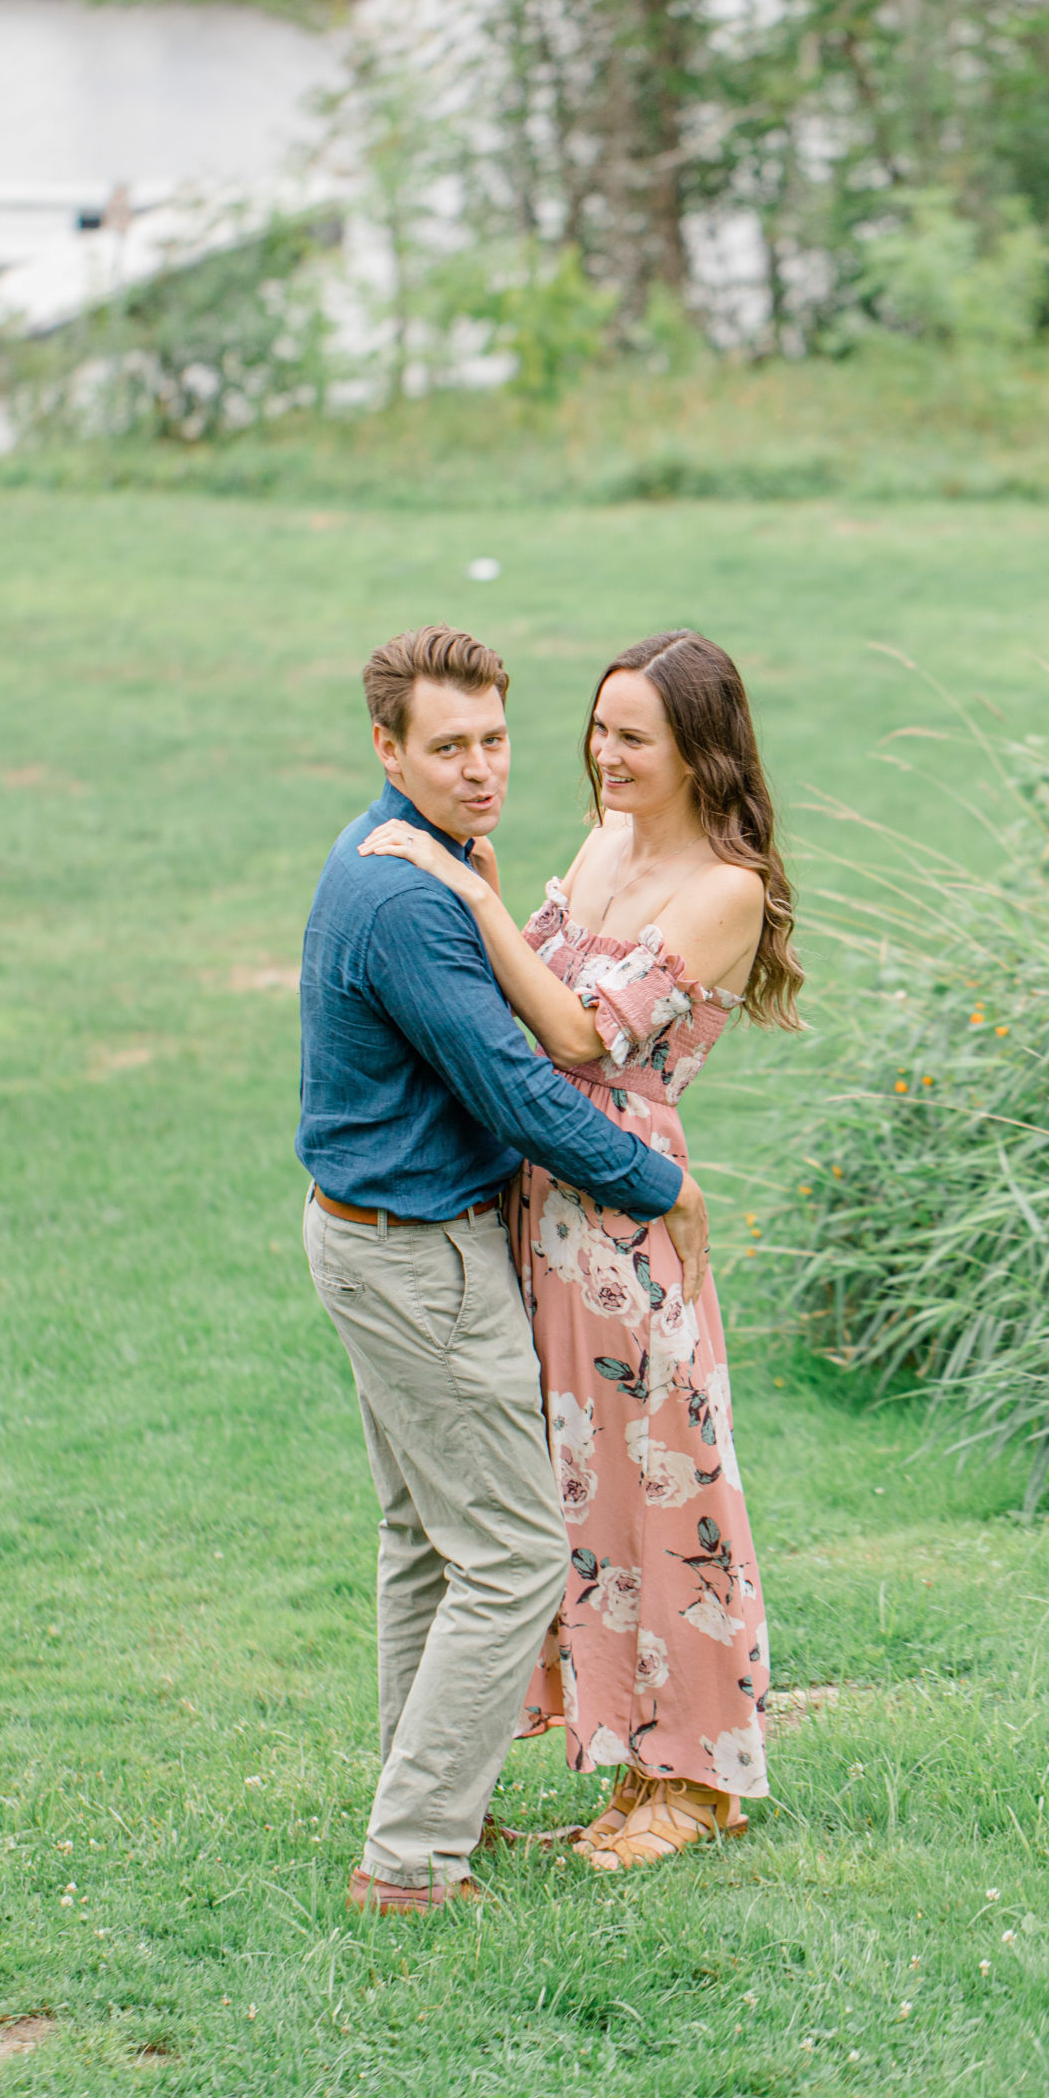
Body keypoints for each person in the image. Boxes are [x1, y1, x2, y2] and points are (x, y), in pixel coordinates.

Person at [359, 628, 803, 1871]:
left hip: (619, 1220)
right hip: (536, 1201)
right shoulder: (605, 841)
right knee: (579, 1494)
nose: (604, 756)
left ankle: (695, 1780)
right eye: (600, 728)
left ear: (700, 750)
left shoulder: (724, 887)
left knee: (666, 1482)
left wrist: (469, 888)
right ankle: (623, 1756)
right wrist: (482, 888)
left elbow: (580, 1035)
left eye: (634, 737)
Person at [297, 624, 711, 1914]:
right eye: (448, 746)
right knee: (515, 1558)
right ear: (388, 747)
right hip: (418, 1257)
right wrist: (662, 1182)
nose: (483, 769)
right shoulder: (409, 895)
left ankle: (427, 1814)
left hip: (378, 1240)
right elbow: (521, 1090)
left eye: (494, 739)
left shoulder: (433, 857)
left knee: (426, 1544)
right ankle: (412, 1862)